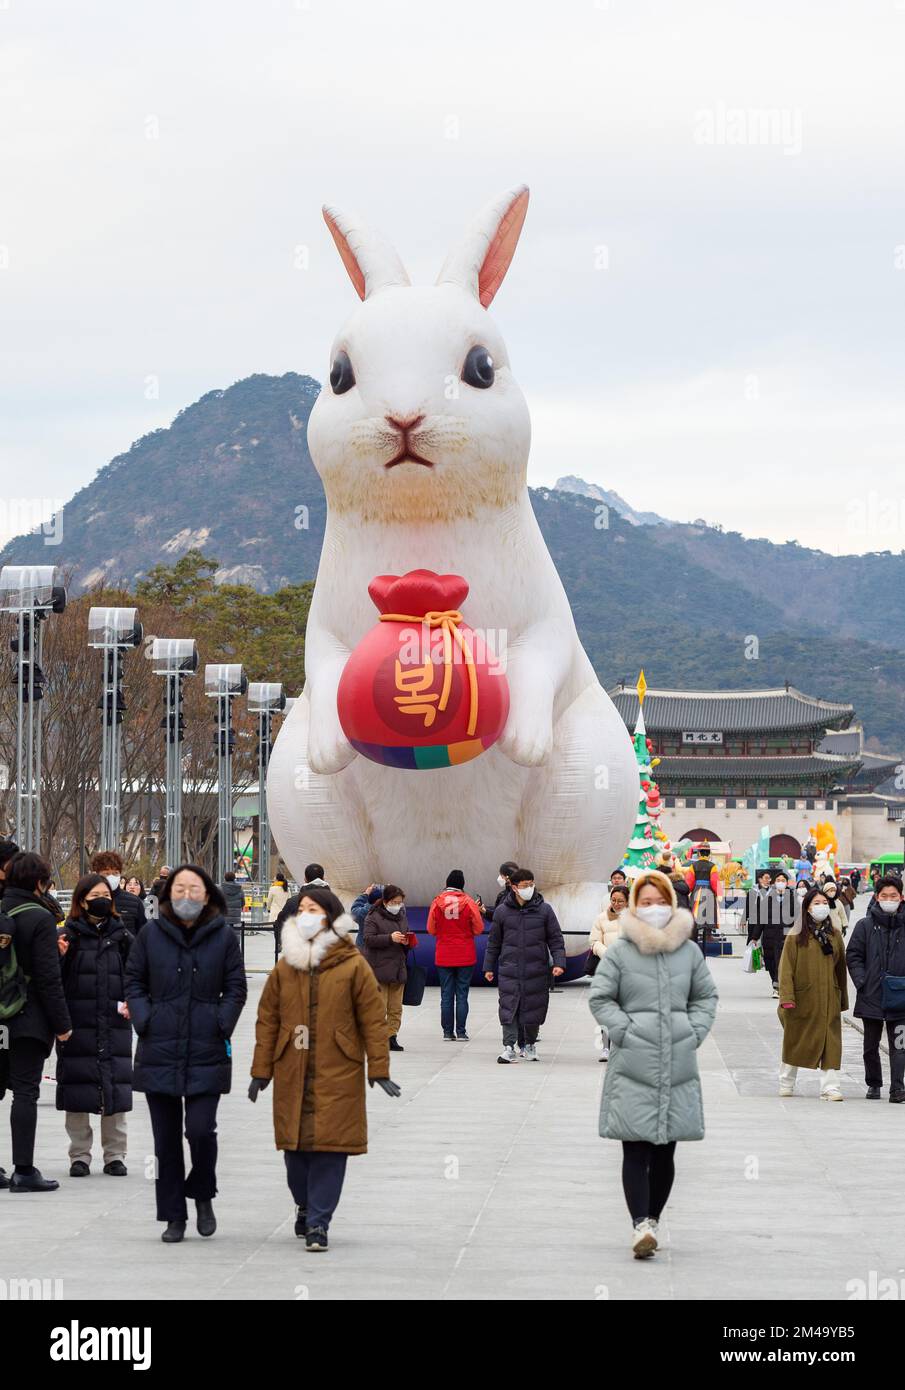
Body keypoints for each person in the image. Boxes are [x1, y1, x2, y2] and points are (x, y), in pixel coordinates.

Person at [249, 887, 400, 1251]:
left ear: (330, 916)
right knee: (295, 1152)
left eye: (312, 908)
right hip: (292, 1067)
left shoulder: (353, 965)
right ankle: (303, 1203)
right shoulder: (286, 966)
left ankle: (319, 1221)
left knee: (331, 1150)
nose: (305, 915)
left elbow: (373, 1021)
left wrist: (378, 1068)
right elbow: (267, 1019)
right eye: (301, 909)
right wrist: (261, 1070)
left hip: (339, 1068)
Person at [589, 870, 718, 1258]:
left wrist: (692, 1032)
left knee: (666, 1151)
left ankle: (654, 1220)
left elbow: (706, 998)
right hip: (633, 1064)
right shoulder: (622, 952)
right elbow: (600, 998)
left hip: (677, 1064)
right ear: (634, 906)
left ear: (671, 904)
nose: (654, 909)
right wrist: (623, 1030)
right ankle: (640, 1224)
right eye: (645, 903)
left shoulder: (689, 953)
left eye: (660, 902)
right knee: (636, 1148)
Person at [124, 863, 247, 1243]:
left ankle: (204, 1193)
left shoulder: (223, 936)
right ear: (167, 894)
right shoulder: (150, 935)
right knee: (165, 1141)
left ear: (208, 894)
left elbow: (236, 986)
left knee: (200, 1131)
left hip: (206, 1046)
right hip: (159, 1045)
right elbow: (134, 980)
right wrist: (145, 1018)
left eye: (194, 889)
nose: (187, 896)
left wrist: (220, 1022)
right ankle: (173, 1215)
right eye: (180, 889)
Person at [0, 850, 73, 1192]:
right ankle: (24, 1171)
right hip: (27, 1018)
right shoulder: (40, 917)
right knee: (25, 1092)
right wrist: (62, 1024)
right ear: (41, 883)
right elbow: (47, 978)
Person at [56, 874, 134, 1177]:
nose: (102, 899)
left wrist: (132, 1001)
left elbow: (138, 974)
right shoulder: (67, 936)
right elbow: (54, 980)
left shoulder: (123, 936)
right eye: (95, 894)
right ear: (81, 900)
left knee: (115, 1088)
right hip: (78, 1023)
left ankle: (115, 1154)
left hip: (115, 1023)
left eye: (106, 894)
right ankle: (79, 1155)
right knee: (77, 1089)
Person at [484, 868, 566, 1064]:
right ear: (514, 887)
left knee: (533, 1008)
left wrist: (559, 962)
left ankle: (529, 1044)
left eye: (531, 884)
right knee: (508, 1007)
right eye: (524, 885)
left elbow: (555, 939)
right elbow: (494, 942)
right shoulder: (502, 912)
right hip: (509, 968)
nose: (529, 888)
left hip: (536, 968)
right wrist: (488, 967)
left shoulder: (544, 910)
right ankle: (509, 1047)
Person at [778, 886, 849, 1100]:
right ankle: (786, 1081)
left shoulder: (834, 934)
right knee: (796, 1040)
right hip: (802, 999)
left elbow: (841, 969)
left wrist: (841, 999)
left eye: (824, 903)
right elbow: (786, 969)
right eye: (816, 903)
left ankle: (830, 1087)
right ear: (807, 907)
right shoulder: (796, 935)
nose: (822, 907)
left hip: (828, 998)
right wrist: (787, 998)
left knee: (831, 1042)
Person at [846, 876, 905, 1102]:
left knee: (899, 1044)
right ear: (876, 897)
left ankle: (898, 1088)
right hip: (871, 995)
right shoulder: (865, 925)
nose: (889, 900)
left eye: (893, 896)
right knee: (870, 1044)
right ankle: (874, 1084)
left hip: (900, 996)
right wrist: (862, 981)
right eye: (884, 896)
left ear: (901, 897)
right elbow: (853, 955)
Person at [426, 870, 484, 1040]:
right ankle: (461, 1031)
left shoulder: (437, 902)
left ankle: (447, 1032)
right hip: (465, 954)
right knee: (462, 994)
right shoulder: (469, 902)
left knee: (446, 994)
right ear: (462, 884)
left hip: (444, 954)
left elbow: (430, 929)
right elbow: (479, 929)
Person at [362, 886, 416, 1052]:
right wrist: (389, 938)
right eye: (394, 902)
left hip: (398, 968)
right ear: (385, 902)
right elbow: (368, 939)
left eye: (400, 903)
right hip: (379, 968)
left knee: (395, 1007)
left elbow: (406, 933)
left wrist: (407, 941)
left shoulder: (402, 916)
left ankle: (391, 1036)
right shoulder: (373, 916)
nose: (397, 905)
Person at [588, 884, 629, 1060]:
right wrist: (607, 953)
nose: (617, 904)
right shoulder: (601, 918)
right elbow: (594, 941)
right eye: (614, 900)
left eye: (621, 901)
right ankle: (606, 1047)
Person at [90, 851, 147, 938]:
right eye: (107, 873)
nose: (112, 877)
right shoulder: (88, 900)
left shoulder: (134, 901)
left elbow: (143, 935)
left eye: (116, 873)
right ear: (96, 874)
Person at [273, 864, 331, 948]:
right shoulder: (334, 902)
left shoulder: (293, 902)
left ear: (305, 879)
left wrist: (283, 944)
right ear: (323, 879)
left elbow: (281, 924)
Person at [745, 870, 782, 996]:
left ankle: (777, 985)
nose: (768, 880)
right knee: (770, 960)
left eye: (770, 878)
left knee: (779, 959)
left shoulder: (787, 897)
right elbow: (752, 910)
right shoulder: (756, 892)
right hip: (764, 930)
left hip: (781, 935)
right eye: (766, 878)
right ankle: (774, 981)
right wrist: (754, 936)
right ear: (760, 879)